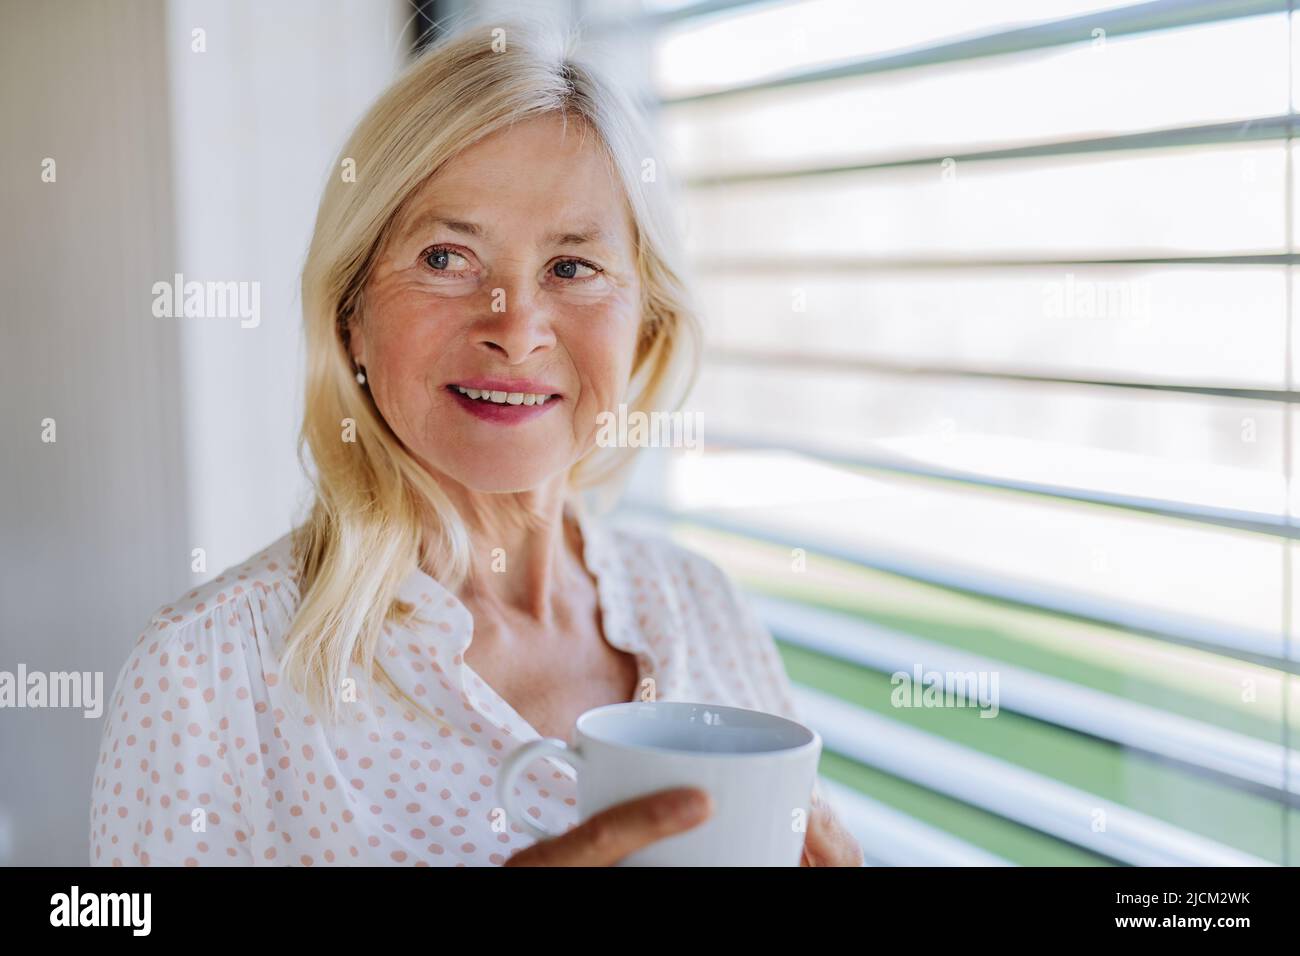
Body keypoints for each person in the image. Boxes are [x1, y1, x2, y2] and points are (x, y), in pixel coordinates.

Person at [89, 12, 862, 868]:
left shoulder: (705, 612)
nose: (517, 329)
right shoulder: (204, 674)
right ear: (351, 315)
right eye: (448, 259)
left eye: (572, 268)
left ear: (645, 325)